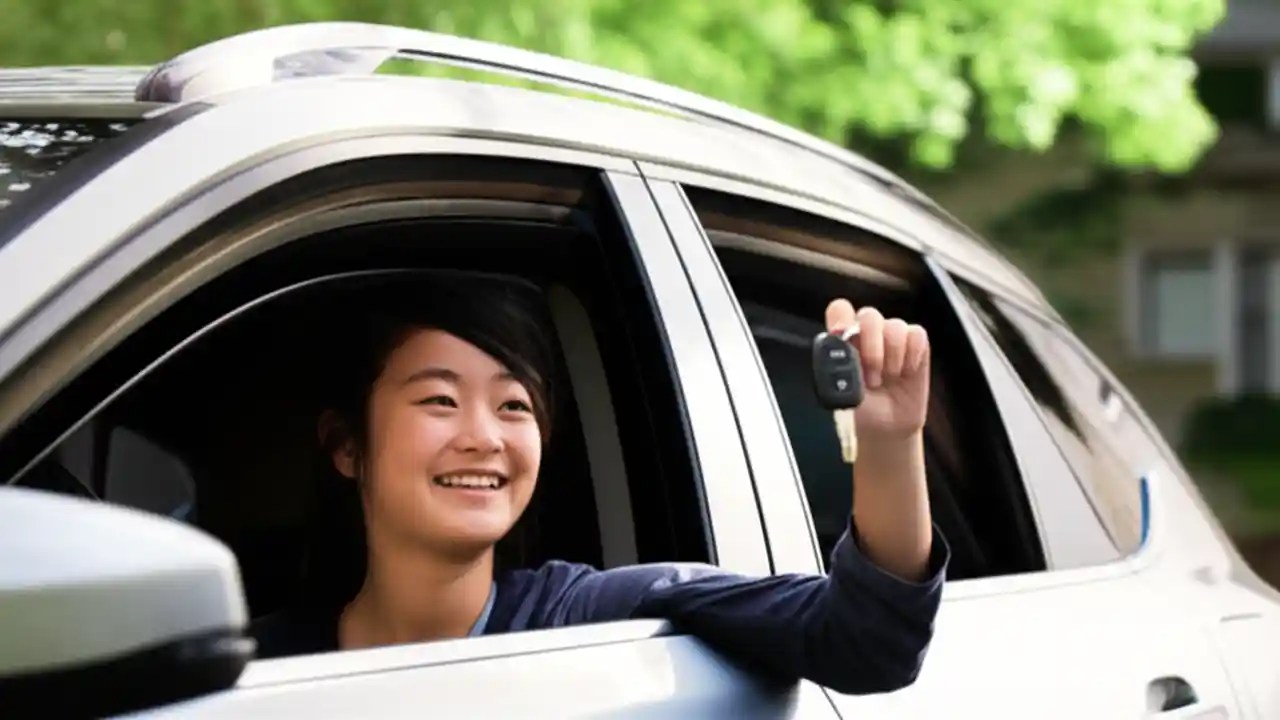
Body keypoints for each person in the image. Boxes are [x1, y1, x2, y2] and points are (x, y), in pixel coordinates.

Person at [251, 275, 949, 695]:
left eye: (514, 406)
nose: (483, 436)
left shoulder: (585, 619)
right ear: (347, 447)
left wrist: (889, 443)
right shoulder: (255, 673)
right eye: (439, 400)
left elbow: (868, 640)